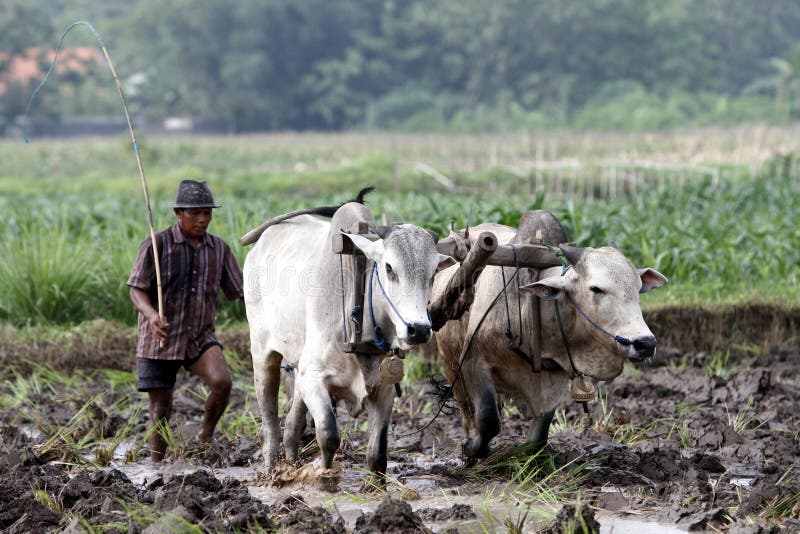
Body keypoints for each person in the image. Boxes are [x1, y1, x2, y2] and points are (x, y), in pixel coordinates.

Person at [128, 179, 244, 462]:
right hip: (161, 336)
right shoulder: (157, 245)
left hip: (199, 335)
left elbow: (240, 292)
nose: (202, 219)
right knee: (161, 406)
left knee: (222, 382)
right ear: (178, 213)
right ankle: (157, 466)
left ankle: (205, 436)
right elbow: (136, 288)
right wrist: (152, 315)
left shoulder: (218, 249)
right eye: (195, 213)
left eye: (207, 213)